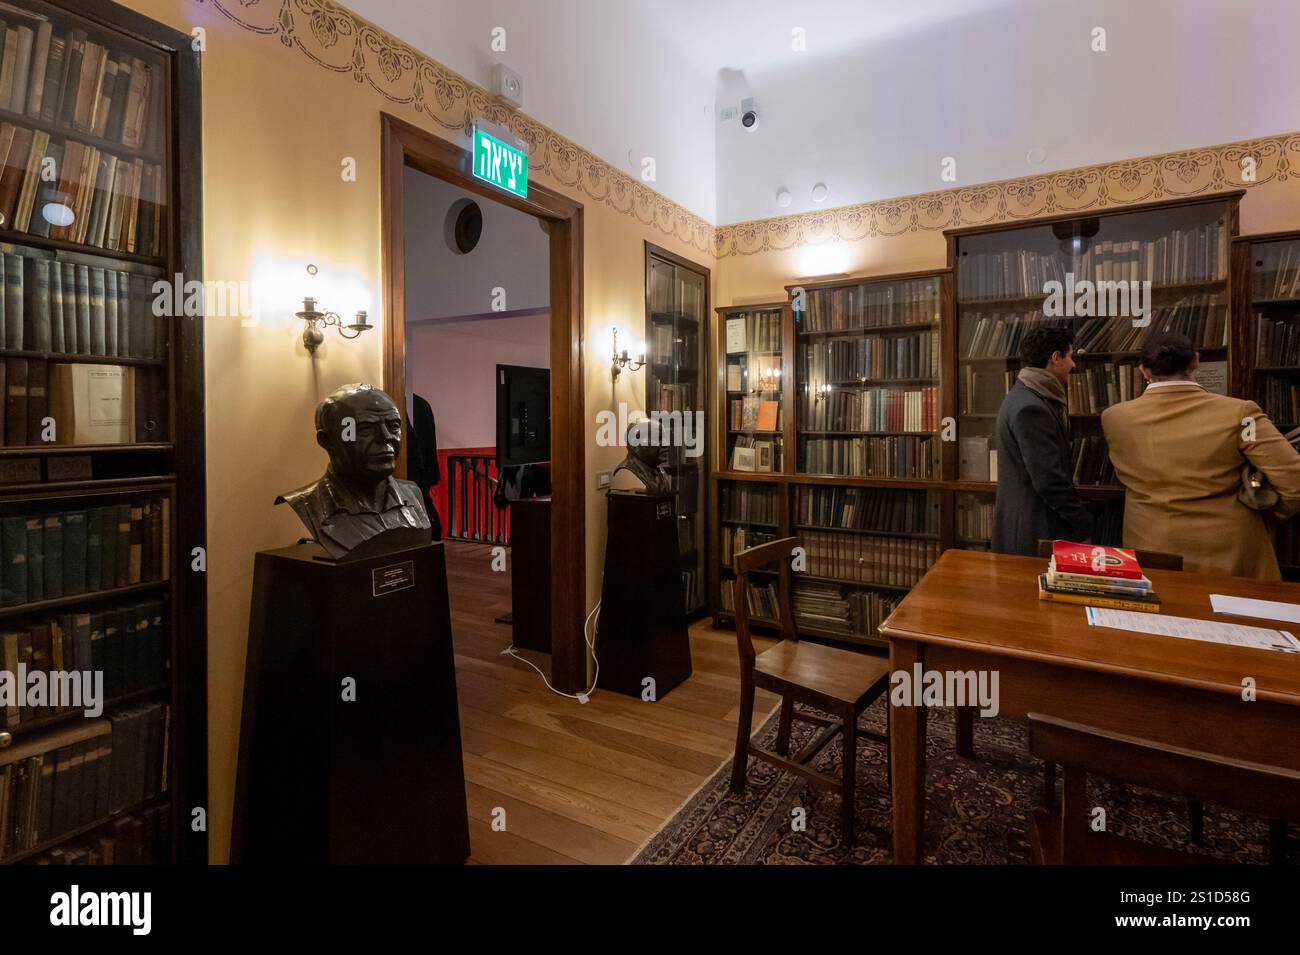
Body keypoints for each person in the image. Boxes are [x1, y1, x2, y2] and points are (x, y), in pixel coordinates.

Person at [1102, 332, 1300, 579]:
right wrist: (1269, 512)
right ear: (1196, 361)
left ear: (1143, 371)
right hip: (1230, 550)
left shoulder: (1113, 419)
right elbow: (1294, 479)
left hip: (1152, 545)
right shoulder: (1241, 415)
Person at [276, 383, 431, 560]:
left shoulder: (413, 494)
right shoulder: (308, 504)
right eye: (365, 428)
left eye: (393, 426)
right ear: (327, 441)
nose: (386, 436)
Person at [991, 323, 1093, 555]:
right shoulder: (1030, 406)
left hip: (1030, 526)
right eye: (1070, 356)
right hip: (1035, 531)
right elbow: (1049, 479)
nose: (1073, 364)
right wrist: (1082, 522)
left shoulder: (1025, 396)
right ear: (1055, 358)